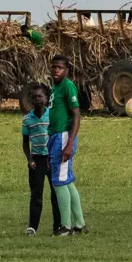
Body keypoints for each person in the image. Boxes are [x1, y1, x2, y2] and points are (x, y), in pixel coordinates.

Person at [48, 55, 87, 236]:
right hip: (55, 136)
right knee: (67, 182)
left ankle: (66, 226)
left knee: (58, 182)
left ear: (66, 70)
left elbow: (76, 114)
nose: (56, 70)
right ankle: (79, 224)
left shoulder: (67, 86)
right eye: (54, 67)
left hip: (63, 136)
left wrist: (69, 143)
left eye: (60, 67)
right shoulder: (55, 87)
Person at [22, 84, 61, 235]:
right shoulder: (27, 119)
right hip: (37, 160)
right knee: (36, 194)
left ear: (46, 99)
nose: (37, 99)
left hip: (52, 158)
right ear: (31, 100)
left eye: (40, 96)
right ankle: (32, 226)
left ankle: (58, 226)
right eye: (34, 97)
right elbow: (25, 143)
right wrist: (29, 159)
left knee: (55, 193)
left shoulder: (52, 115)